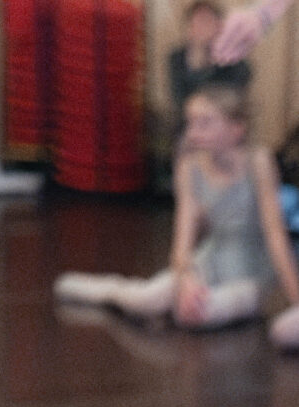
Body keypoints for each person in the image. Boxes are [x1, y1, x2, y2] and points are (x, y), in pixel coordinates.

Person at [54, 83, 299, 339]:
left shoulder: (258, 162)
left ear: (236, 129)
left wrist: (295, 301)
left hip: (251, 272)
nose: (194, 132)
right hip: (211, 260)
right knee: (145, 300)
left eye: (205, 123)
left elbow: (276, 238)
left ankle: (202, 302)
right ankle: (103, 289)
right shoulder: (190, 167)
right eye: (191, 123)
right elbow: (183, 241)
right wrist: (187, 280)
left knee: (198, 314)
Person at [170, 0, 250, 126]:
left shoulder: (235, 60)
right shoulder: (177, 58)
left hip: (224, 127)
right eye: (194, 22)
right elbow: (179, 100)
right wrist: (196, 58)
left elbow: (230, 101)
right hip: (187, 126)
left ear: (220, 25)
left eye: (205, 21)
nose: (200, 28)